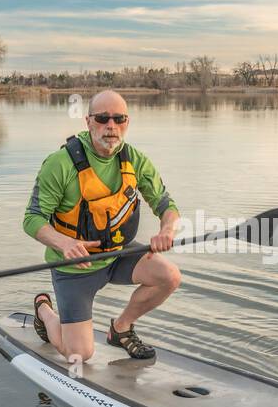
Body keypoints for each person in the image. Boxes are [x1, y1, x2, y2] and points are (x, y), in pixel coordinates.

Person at [22, 90, 181, 363]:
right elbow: (32, 218)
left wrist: (167, 230)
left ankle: (120, 329)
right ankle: (45, 312)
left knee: (169, 276)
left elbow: (167, 206)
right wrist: (65, 243)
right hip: (74, 268)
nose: (111, 126)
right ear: (88, 121)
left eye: (119, 119)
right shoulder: (60, 164)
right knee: (79, 355)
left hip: (116, 256)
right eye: (103, 118)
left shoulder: (136, 160)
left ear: (127, 122)